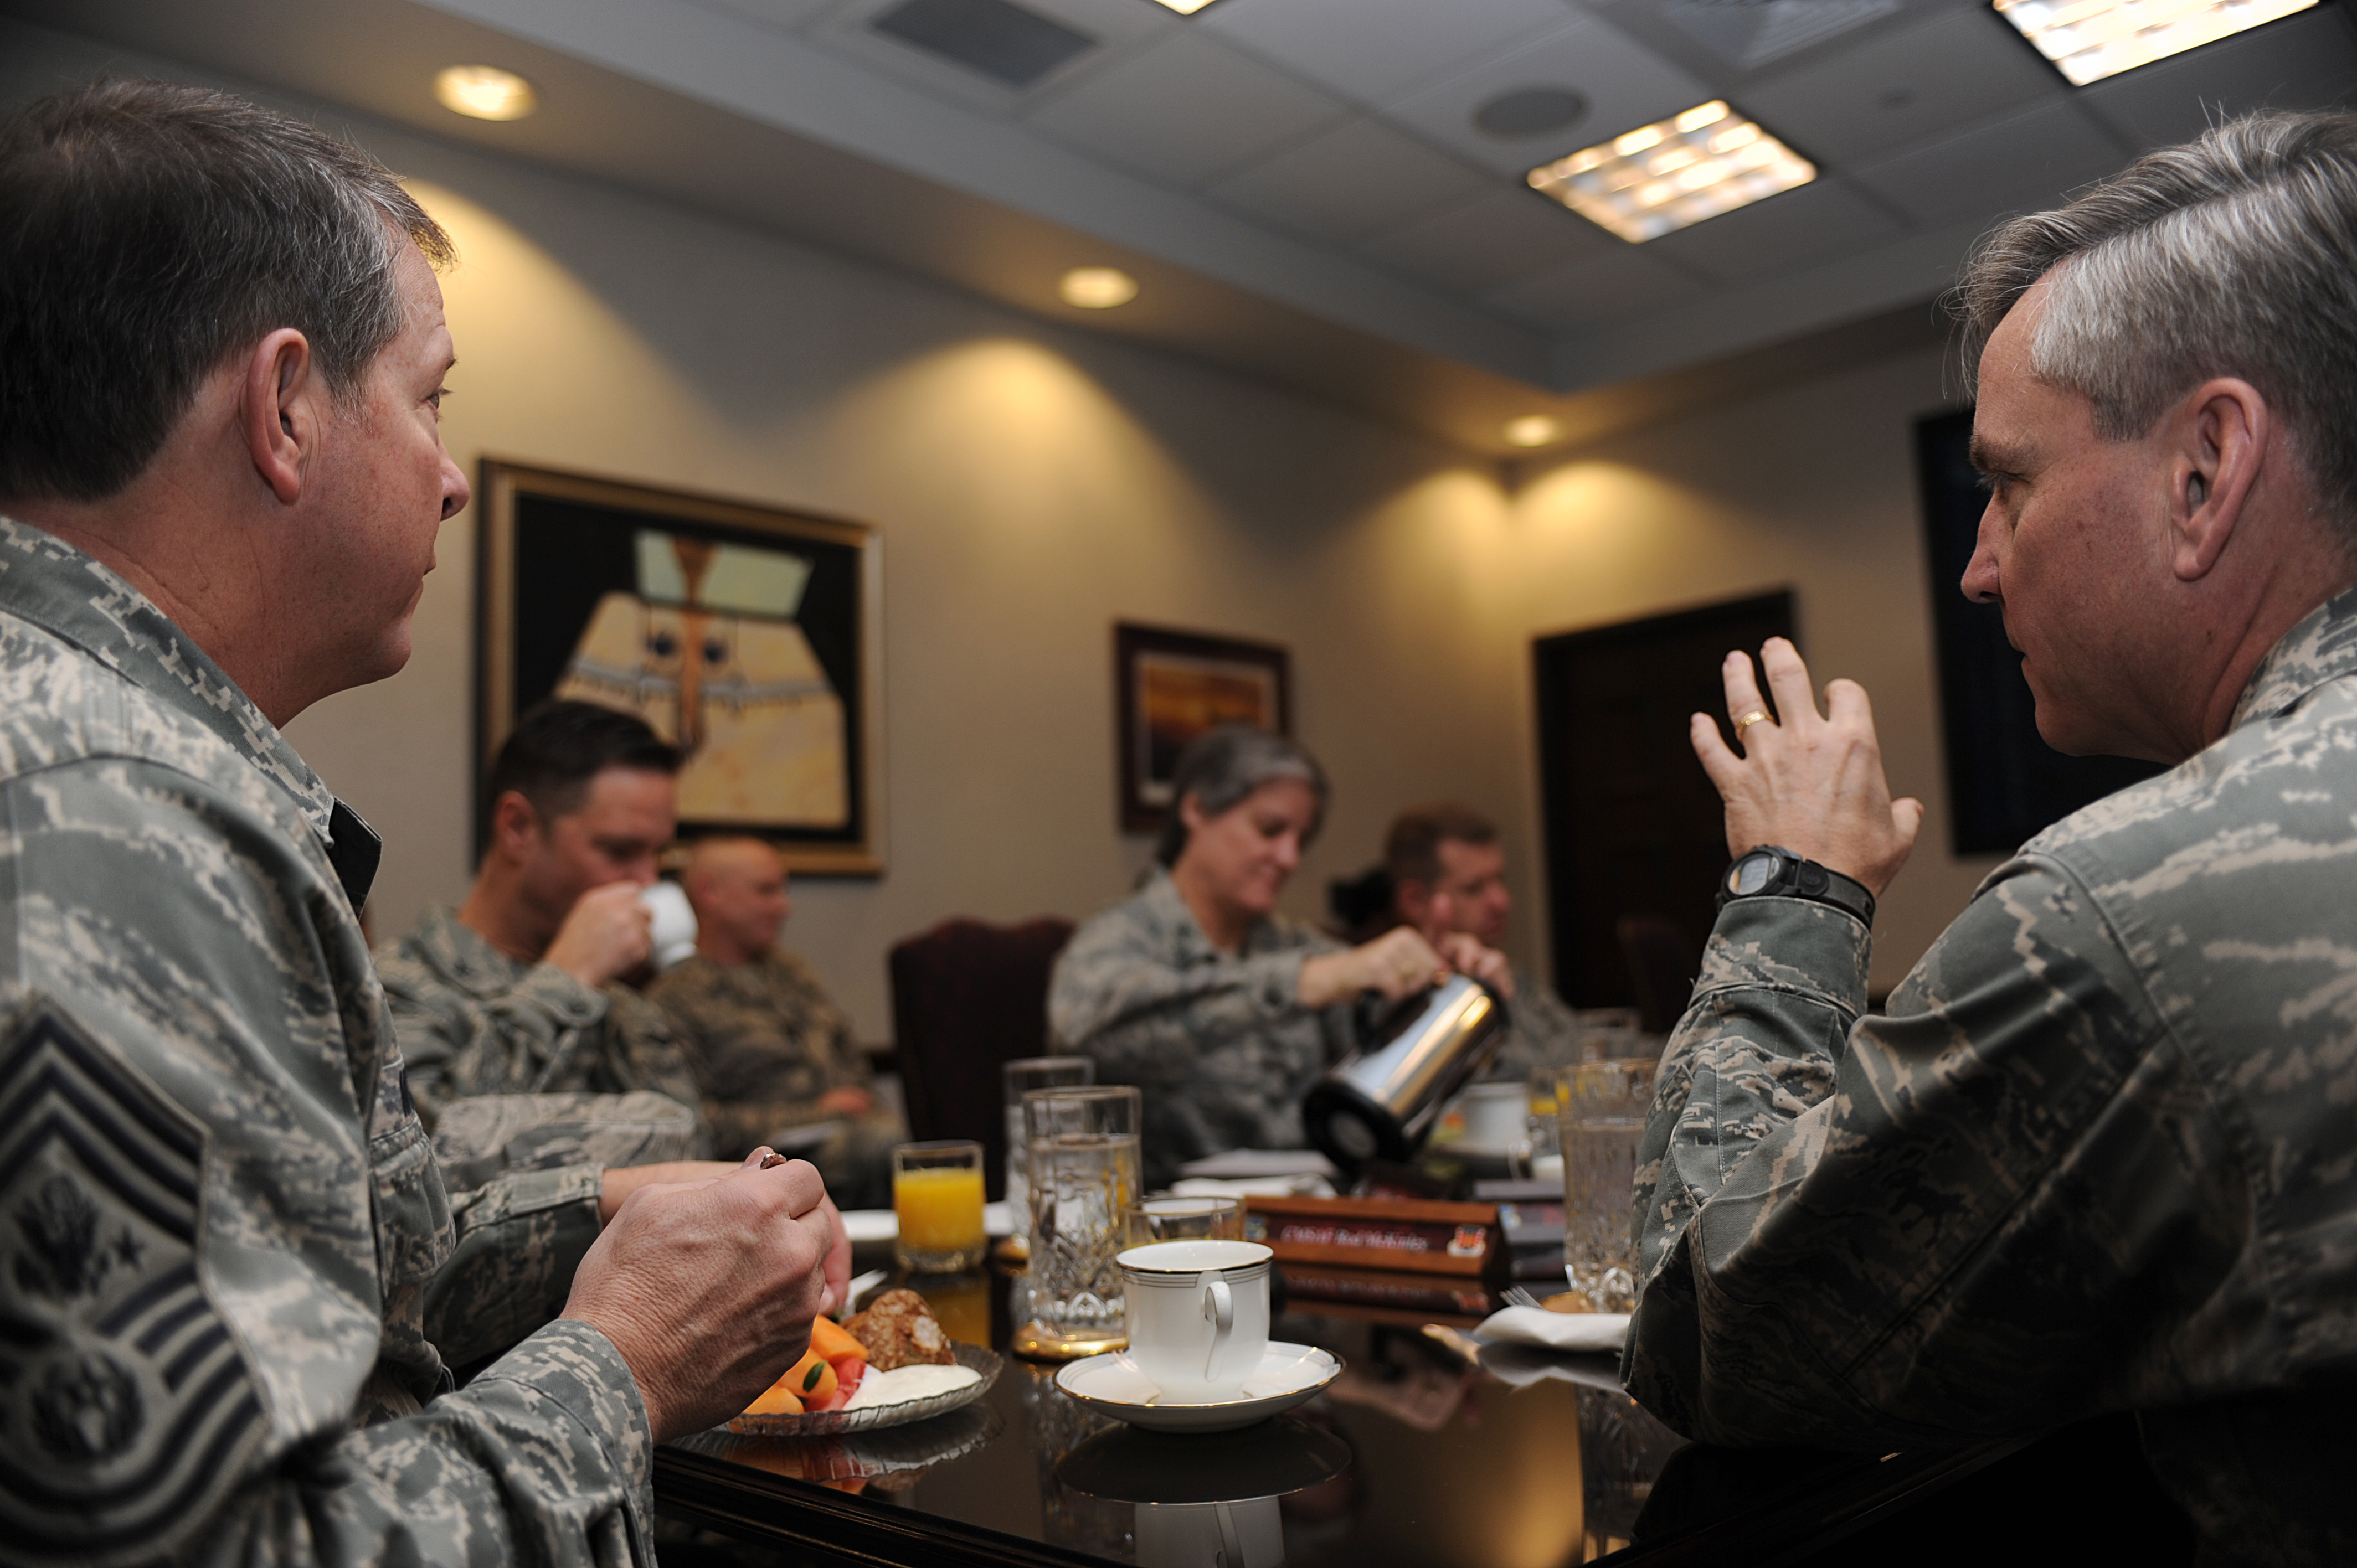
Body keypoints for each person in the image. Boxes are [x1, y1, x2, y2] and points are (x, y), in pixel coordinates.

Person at [0, 80, 844, 1560]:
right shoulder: (107, 821)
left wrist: (591, 1218)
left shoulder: (103, 754)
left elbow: (298, 1266)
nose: (451, 480)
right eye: (431, 397)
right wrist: (632, 1361)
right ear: (283, 409)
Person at [1625, 112, 2357, 1561]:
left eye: (2007, 485)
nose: (1976, 567)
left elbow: (1708, 1326)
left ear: (2205, 471)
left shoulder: (2141, 912)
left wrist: (1796, 882)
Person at [1051, 725, 1511, 1188]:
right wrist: (1303, 983)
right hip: (1179, 1231)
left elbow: (1390, 1088)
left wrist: (1458, 1001)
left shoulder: (1301, 946)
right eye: (1270, 830)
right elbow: (1087, 1035)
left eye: (1301, 838)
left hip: (1317, 1212)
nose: (1290, 857)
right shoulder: (1124, 936)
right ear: (1196, 809)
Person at [377, 699, 710, 1168]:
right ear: (518, 828)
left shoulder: (622, 1002)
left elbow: (690, 1151)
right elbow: (423, 1165)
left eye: (657, 854)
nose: (647, 881)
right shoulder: (395, 988)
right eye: (619, 851)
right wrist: (568, 978)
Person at [650, 836, 905, 1206]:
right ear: (710, 892)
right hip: (764, 1174)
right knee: (881, 1146)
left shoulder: (794, 973)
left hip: (866, 1144)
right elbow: (695, 1124)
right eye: (765, 891)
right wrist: (815, 1114)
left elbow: (848, 1059)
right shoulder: (673, 999)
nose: (783, 906)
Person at [1383, 802, 1581, 1077]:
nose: (1502, 902)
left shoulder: (1510, 973)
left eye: (1500, 880)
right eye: (1474, 888)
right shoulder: (1393, 1006)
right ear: (1415, 901)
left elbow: (1581, 1043)